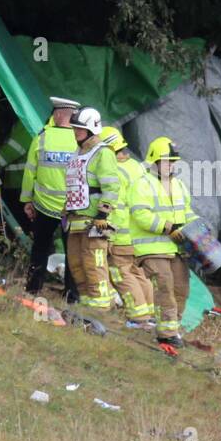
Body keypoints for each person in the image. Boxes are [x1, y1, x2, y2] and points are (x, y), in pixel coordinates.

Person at [130, 137, 197, 347]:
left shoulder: (178, 185)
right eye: (167, 161)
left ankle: (172, 330)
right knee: (165, 287)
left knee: (181, 289)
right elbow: (140, 214)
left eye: (173, 161)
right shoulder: (142, 184)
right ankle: (166, 334)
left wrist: (198, 227)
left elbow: (187, 212)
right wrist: (168, 227)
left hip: (176, 249)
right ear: (154, 161)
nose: (171, 165)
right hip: (152, 248)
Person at [21, 97, 80, 297]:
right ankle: (72, 294)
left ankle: (33, 288)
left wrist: (27, 201)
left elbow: (30, 172)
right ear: (71, 116)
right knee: (73, 252)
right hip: (70, 209)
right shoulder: (79, 141)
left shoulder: (42, 138)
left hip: (44, 206)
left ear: (58, 114)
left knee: (40, 248)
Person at [62, 107, 120, 310]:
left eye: (80, 128)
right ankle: (87, 304)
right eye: (75, 128)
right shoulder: (77, 153)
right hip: (75, 220)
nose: (75, 132)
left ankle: (102, 306)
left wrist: (103, 214)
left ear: (91, 129)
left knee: (93, 265)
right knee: (76, 265)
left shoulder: (103, 153)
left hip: (94, 221)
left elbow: (112, 187)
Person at [100, 126, 156, 328]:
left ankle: (138, 317)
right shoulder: (137, 167)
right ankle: (149, 314)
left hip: (121, 234)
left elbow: (115, 205)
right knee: (138, 273)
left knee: (121, 274)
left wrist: (108, 233)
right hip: (140, 235)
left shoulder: (115, 172)